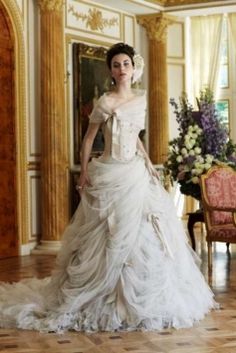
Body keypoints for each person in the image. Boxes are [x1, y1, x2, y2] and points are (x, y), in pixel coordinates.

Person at [0, 43, 217, 333]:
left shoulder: (140, 100)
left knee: (147, 235)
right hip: (110, 171)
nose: (121, 69)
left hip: (136, 172)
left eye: (125, 63)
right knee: (109, 236)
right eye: (116, 65)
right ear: (111, 71)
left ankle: (145, 299)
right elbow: (89, 139)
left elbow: (135, 136)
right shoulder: (104, 103)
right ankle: (104, 297)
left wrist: (149, 161)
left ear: (132, 67)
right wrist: (84, 172)